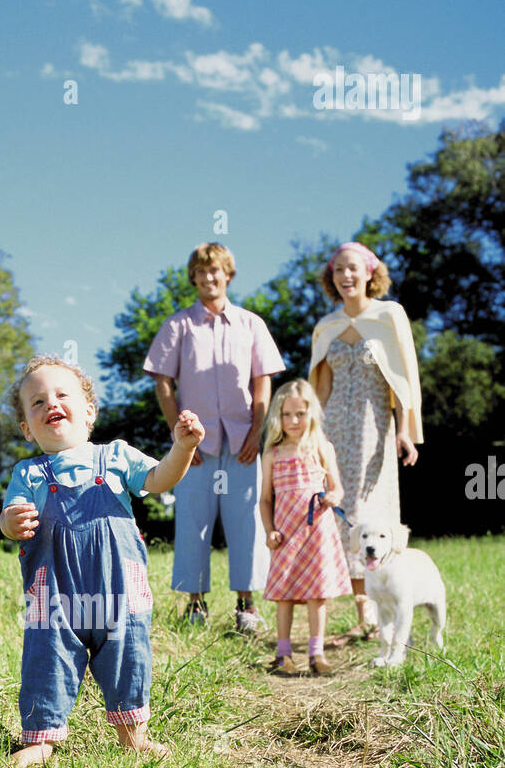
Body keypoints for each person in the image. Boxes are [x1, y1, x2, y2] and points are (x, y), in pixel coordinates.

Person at [0, 354, 205, 768]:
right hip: (54, 599)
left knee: (129, 656)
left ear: (89, 411)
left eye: (61, 394)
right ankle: (40, 738)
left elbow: (160, 478)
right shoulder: (30, 473)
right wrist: (10, 521)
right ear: (26, 427)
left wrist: (183, 448)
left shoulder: (116, 457)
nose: (50, 404)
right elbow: (10, 517)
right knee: (45, 659)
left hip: (119, 591)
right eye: (36, 402)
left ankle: (134, 735)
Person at [143, 242, 285, 631]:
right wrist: (181, 436)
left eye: (215, 271)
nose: (209, 277)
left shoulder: (251, 324)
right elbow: (162, 382)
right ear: (194, 278)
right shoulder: (179, 326)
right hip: (195, 446)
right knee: (192, 521)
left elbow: (262, 382)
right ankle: (195, 606)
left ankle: (247, 606)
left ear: (228, 275)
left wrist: (258, 431)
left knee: (247, 523)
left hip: (243, 441)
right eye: (201, 272)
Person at [309, 241, 422, 641]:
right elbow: (317, 389)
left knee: (373, 515)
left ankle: (387, 606)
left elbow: (405, 381)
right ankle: (366, 617)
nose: (346, 276)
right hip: (334, 430)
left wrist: (406, 431)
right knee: (344, 517)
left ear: (371, 272)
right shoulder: (326, 325)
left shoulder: (390, 316)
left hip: (376, 431)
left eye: (353, 268)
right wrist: (310, 440)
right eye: (338, 269)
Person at [260, 380, 352, 676]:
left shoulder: (322, 448)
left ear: (311, 413)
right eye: (286, 415)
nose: (293, 421)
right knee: (284, 594)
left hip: (317, 530)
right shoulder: (272, 453)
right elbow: (264, 500)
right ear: (278, 416)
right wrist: (268, 530)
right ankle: (283, 654)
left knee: (317, 594)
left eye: (299, 414)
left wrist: (332, 498)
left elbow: (337, 488)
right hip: (285, 532)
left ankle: (317, 653)